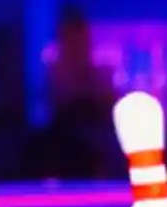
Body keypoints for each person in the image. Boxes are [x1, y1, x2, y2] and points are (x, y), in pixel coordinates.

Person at [46, 4, 115, 178]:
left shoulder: (100, 77)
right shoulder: (56, 74)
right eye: (69, 39)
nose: (76, 45)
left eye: (80, 39)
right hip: (64, 153)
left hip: (98, 155)